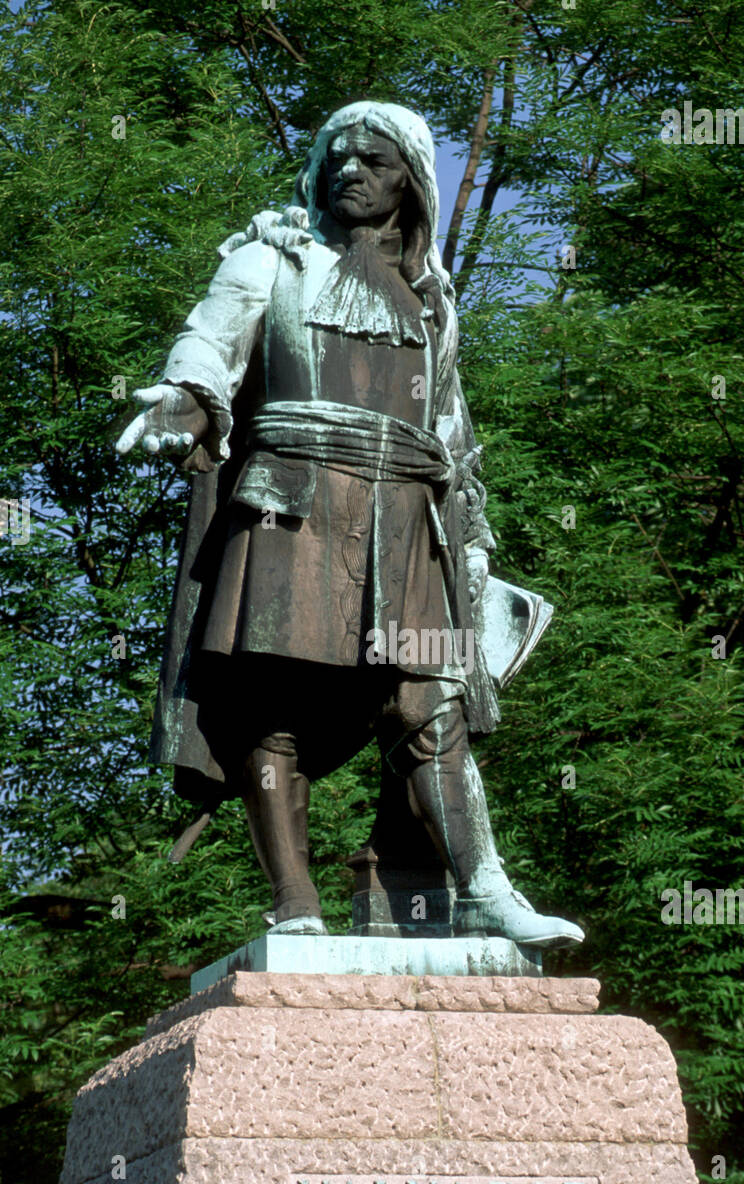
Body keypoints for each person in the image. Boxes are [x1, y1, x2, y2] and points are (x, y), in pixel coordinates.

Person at [117, 101, 583, 950]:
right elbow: (207, 347)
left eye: (374, 159)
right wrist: (182, 401)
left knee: (427, 702)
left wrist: (471, 540)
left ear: (410, 180)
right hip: (290, 500)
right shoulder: (272, 258)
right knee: (273, 708)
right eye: (336, 155)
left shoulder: (433, 300)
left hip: (405, 516)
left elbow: (450, 430)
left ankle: (483, 889)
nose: (350, 170)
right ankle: (294, 904)